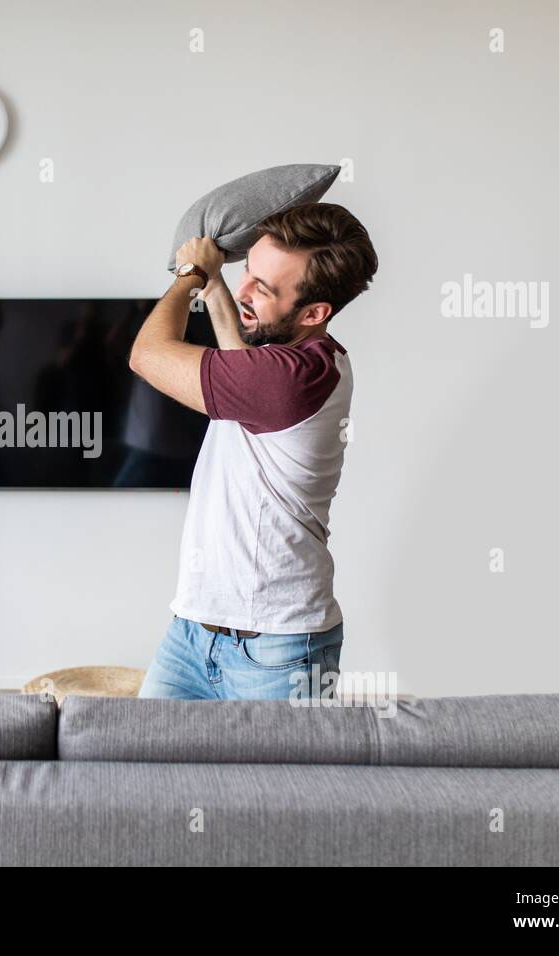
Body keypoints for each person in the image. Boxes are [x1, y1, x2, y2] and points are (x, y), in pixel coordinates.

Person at [128, 203, 378, 701]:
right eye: (247, 274)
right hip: (192, 631)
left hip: (279, 651)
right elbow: (241, 358)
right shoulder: (303, 359)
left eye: (262, 289)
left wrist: (190, 275)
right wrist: (217, 287)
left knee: (277, 784)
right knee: (141, 774)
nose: (244, 291)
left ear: (313, 313)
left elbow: (147, 354)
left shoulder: (294, 379)